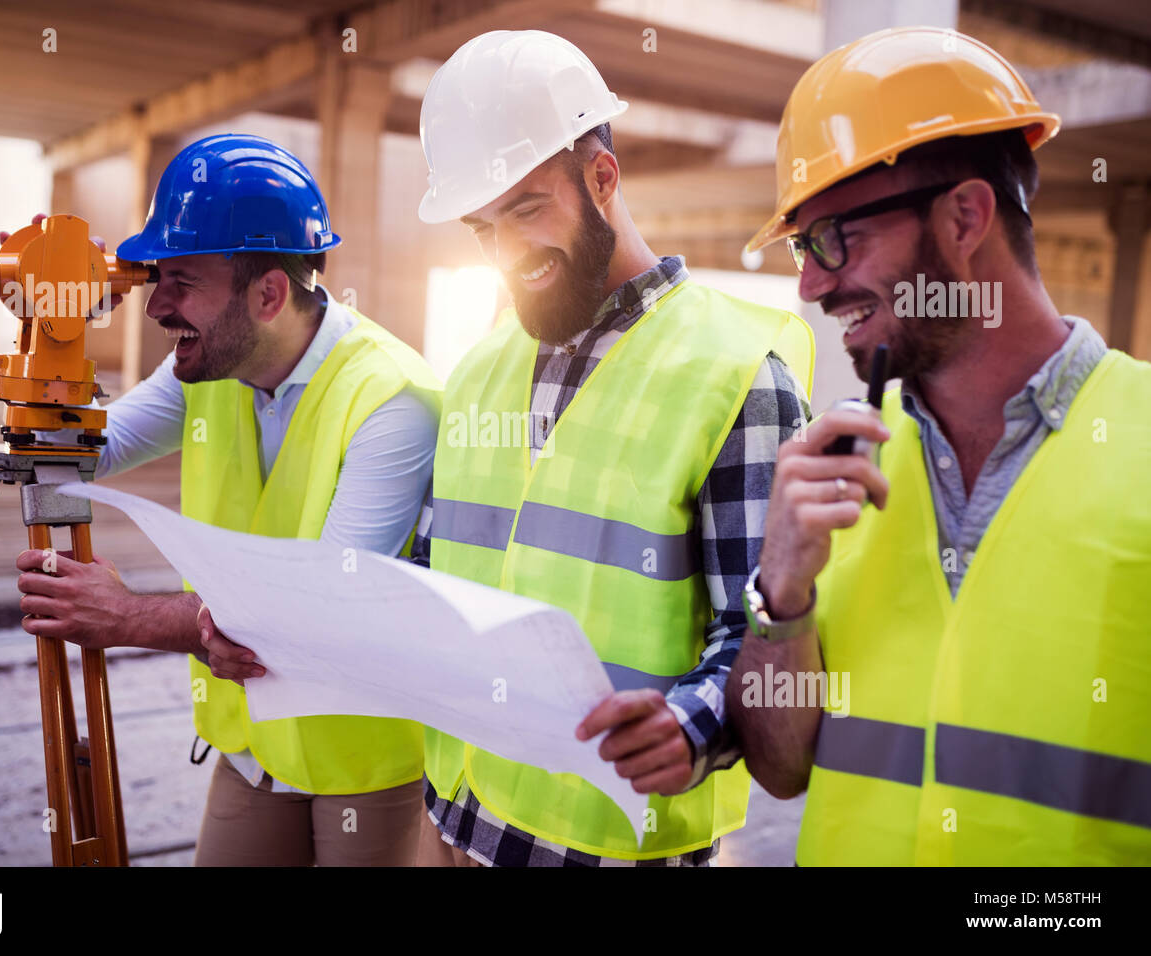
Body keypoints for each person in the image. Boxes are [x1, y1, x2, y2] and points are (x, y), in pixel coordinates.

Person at [729, 26, 1151, 865]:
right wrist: (782, 592)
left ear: (964, 216)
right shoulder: (838, 469)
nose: (811, 284)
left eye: (830, 240)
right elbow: (780, 767)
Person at [411, 30, 815, 865]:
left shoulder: (739, 376)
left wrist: (688, 727)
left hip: (606, 845)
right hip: (457, 814)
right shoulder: (482, 367)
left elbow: (759, 623)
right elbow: (432, 572)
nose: (508, 251)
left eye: (526, 209)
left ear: (602, 179)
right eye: (482, 226)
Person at [13, 134, 441, 866]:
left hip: (365, 757)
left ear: (269, 293)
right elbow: (79, 452)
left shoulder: (392, 399)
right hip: (255, 743)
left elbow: (316, 610)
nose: (158, 307)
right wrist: (47, 329)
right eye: (155, 280)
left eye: (181, 282)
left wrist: (126, 616)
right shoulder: (209, 372)